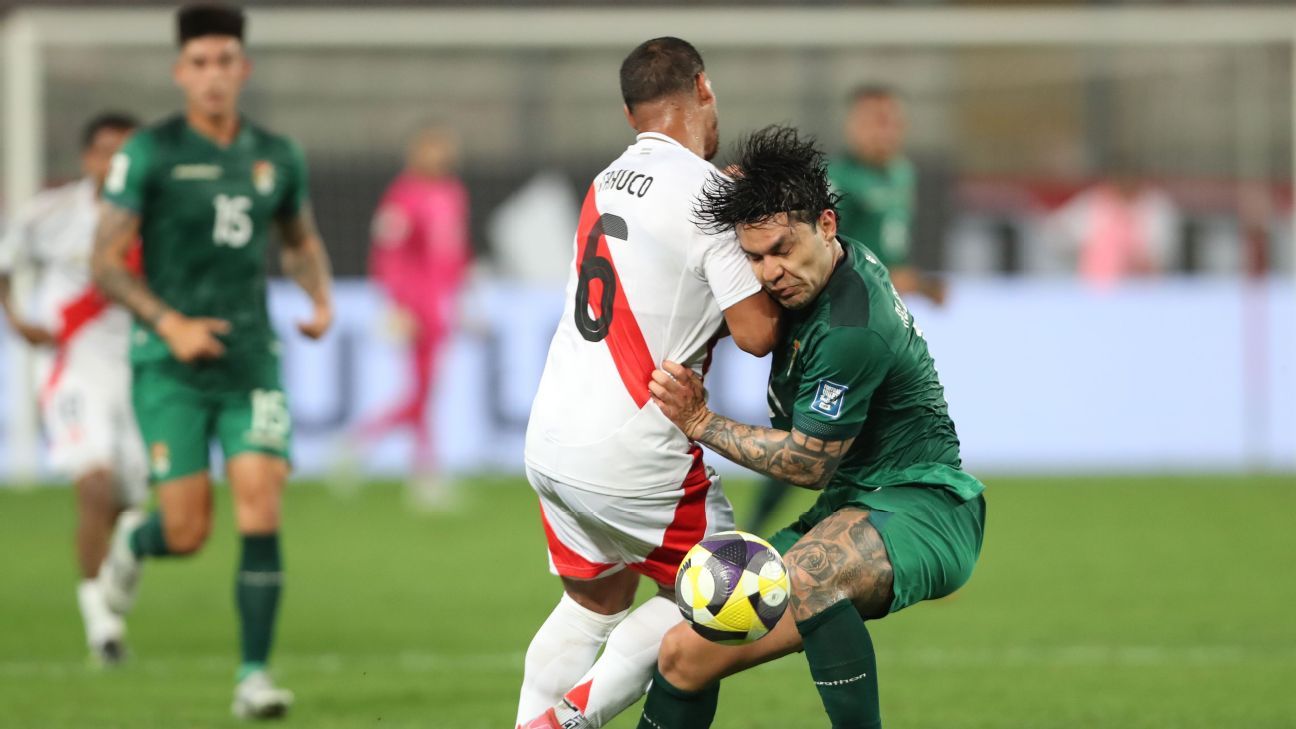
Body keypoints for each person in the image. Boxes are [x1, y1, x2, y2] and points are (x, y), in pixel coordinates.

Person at [637, 126, 986, 729]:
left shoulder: (852, 327)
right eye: (754, 257)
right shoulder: (821, 266)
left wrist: (699, 421)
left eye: (781, 249)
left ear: (826, 224)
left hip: (925, 507)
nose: (770, 272)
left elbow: (806, 463)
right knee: (683, 654)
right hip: (850, 506)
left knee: (811, 576)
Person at [515, 37, 779, 729]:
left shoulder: (604, 180)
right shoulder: (709, 196)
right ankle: (565, 722)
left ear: (630, 113)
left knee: (593, 601)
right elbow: (757, 333)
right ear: (705, 88)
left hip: (552, 439)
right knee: (725, 589)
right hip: (634, 452)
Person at [90, 4, 334, 719]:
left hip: (250, 358)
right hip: (168, 361)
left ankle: (253, 676)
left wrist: (318, 298)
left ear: (243, 68)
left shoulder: (276, 153)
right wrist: (171, 323)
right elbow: (103, 261)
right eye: (198, 63)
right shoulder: (150, 152)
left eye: (225, 60)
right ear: (180, 73)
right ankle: (135, 542)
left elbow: (296, 237)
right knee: (188, 530)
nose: (213, 75)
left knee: (261, 502)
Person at [745, 83, 947, 537]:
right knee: (813, 442)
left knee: (874, 436)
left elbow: (884, 261)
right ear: (852, 126)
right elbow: (831, 265)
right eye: (874, 120)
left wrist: (915, 283)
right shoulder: (836, 183)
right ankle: (758, 529)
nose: (885, 131)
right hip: (832, 327)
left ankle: (904, 527)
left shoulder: (901, 176)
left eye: (891, 120)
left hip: (876, 323)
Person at [0, 112, 144, 666]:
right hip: (75, 365)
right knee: (94, 481)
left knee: (134, 507)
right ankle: (101, 625)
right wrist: (17, 320)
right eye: (105, 152)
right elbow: (6, 264)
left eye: (126, 153)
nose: (114, 164)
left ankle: (113, 582)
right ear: (87, 159)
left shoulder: (160, 219)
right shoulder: (51, 213)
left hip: (142, 368)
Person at [356, 125, 471, 502]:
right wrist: (397, 304)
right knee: (422, 388)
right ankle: (421, 472)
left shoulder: (453, 193)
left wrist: (465, 296)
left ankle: (368, 442)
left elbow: (456, 252)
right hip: (416, 306)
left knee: (425, 390)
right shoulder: (403, 195)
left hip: (442, 306)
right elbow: (388, 252)